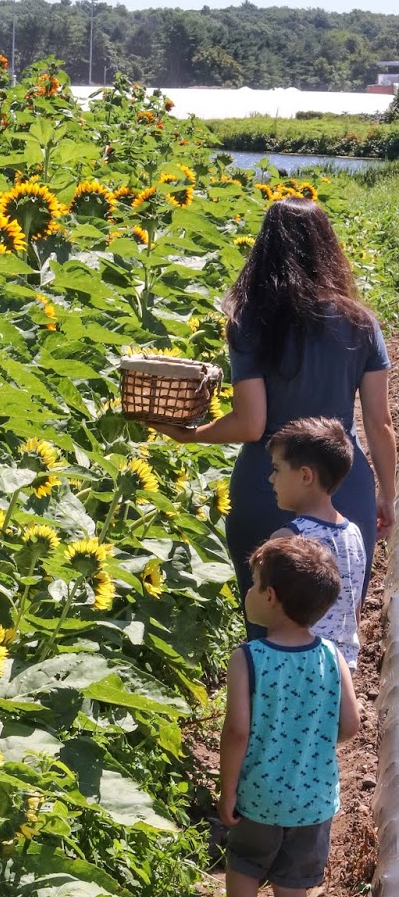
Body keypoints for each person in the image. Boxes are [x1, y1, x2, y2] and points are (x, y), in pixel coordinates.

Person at [168, 197, 395, 623]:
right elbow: (380, 424)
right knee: (336, 628)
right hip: (342, 486)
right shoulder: (361, 322)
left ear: (264, 248)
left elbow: (252, 424)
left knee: (266, 626)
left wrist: (192, 433)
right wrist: (388, 495)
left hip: (267, 487)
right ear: (328, 248)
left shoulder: (250, 322)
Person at [213, 534, 360, 897]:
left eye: (254, 585)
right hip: (313, 798)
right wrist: (315, 744)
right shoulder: (332, 656)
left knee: (245, 861)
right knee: (295, 882)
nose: (249, 592)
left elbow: (236, 732)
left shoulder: (249, 658)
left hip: (258, 792)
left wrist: (227, 789)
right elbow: (351, 724)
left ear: (271, 598)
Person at [265, 416, 365, 670]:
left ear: (306, 476)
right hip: (341, 662)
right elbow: (354, 608)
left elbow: (270, 608)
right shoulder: (354, 533)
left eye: (277, 469)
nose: (271, 479)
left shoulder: (287, 539)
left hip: (295, 663)